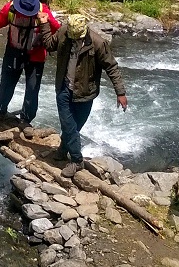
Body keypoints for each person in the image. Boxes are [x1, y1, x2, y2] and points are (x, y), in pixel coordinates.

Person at [42, 14, 128, 178]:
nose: (73, 39)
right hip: (64, 88)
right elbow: (48, 44)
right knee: (68, 125)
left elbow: (112, 68)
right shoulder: (64, 32)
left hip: (85, 93)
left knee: (75, 126)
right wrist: (44, 24)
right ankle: (77, 161)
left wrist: (120, 92)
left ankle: (62, 149)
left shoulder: (98, 43)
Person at [0, 0, 61, 128]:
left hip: (36, 55)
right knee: (6, 83)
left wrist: (46, 22)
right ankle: (0, 111)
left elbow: (58, 30)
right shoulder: (10, 8)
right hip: (14, 52)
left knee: (32, 89)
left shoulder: (44, 11)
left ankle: (26, 121)